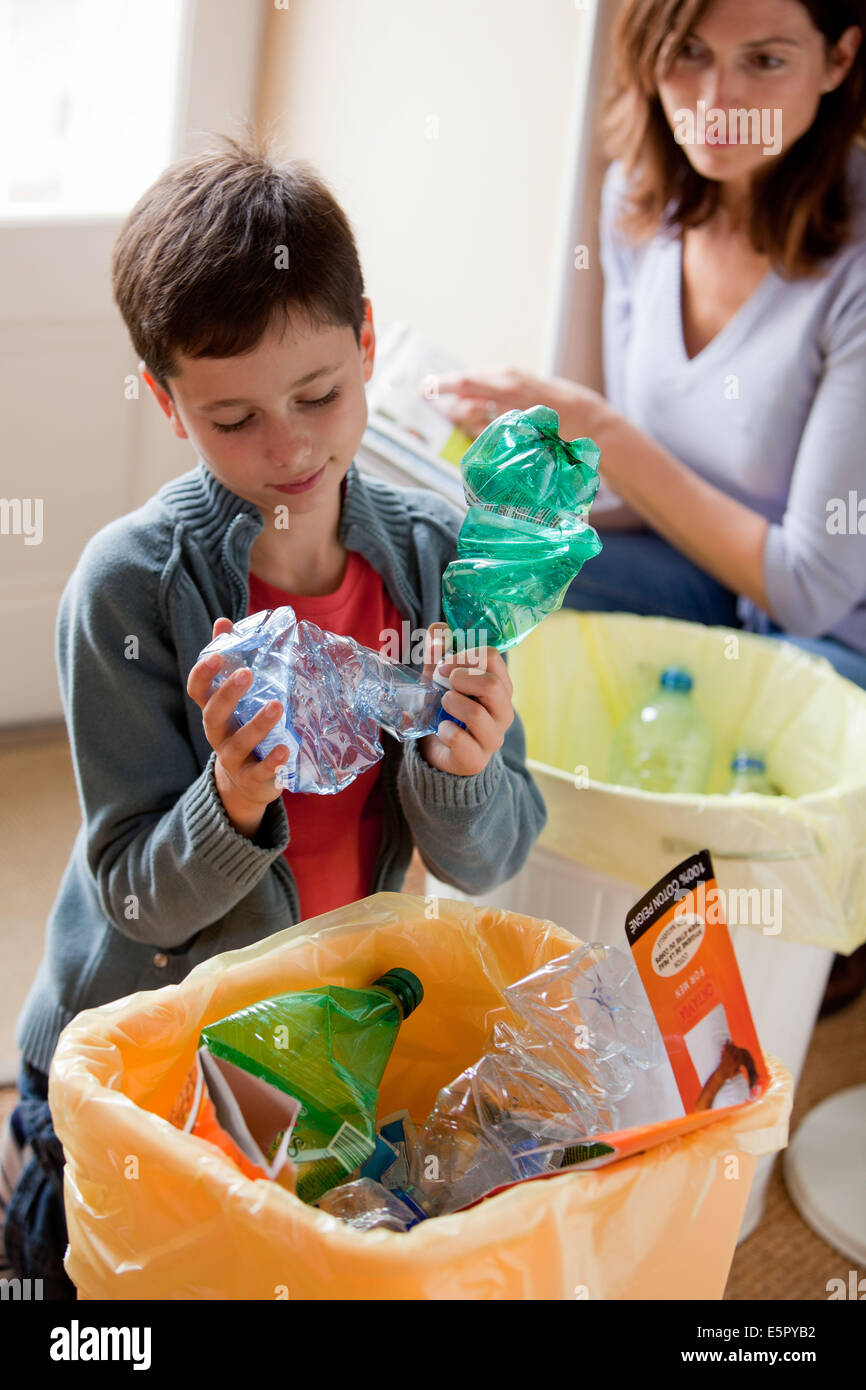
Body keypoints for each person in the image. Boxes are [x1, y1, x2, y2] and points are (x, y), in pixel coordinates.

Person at [0, 133, 546, 1297]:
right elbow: (136, 893)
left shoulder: (436, 567)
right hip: (133, 1058)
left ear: (365, 344)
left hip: (317, 1049)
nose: (290, 446)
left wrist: (464, 765)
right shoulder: (128, 591)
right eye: (233, 418)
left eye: (318, 394)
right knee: (87, 1281)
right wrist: (233, 797)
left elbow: (495, 853)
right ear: (164, 401)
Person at [434, 0, 866, 691]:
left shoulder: (855, 270)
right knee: (448, 559)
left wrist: (596, 426)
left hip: (836, 640)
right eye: (688, 52)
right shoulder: (638, 198)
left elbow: (808, 590)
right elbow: (652, 482)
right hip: (706, 582)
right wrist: (529, 465)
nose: (716, 102)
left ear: (839, 59)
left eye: (766, 60)